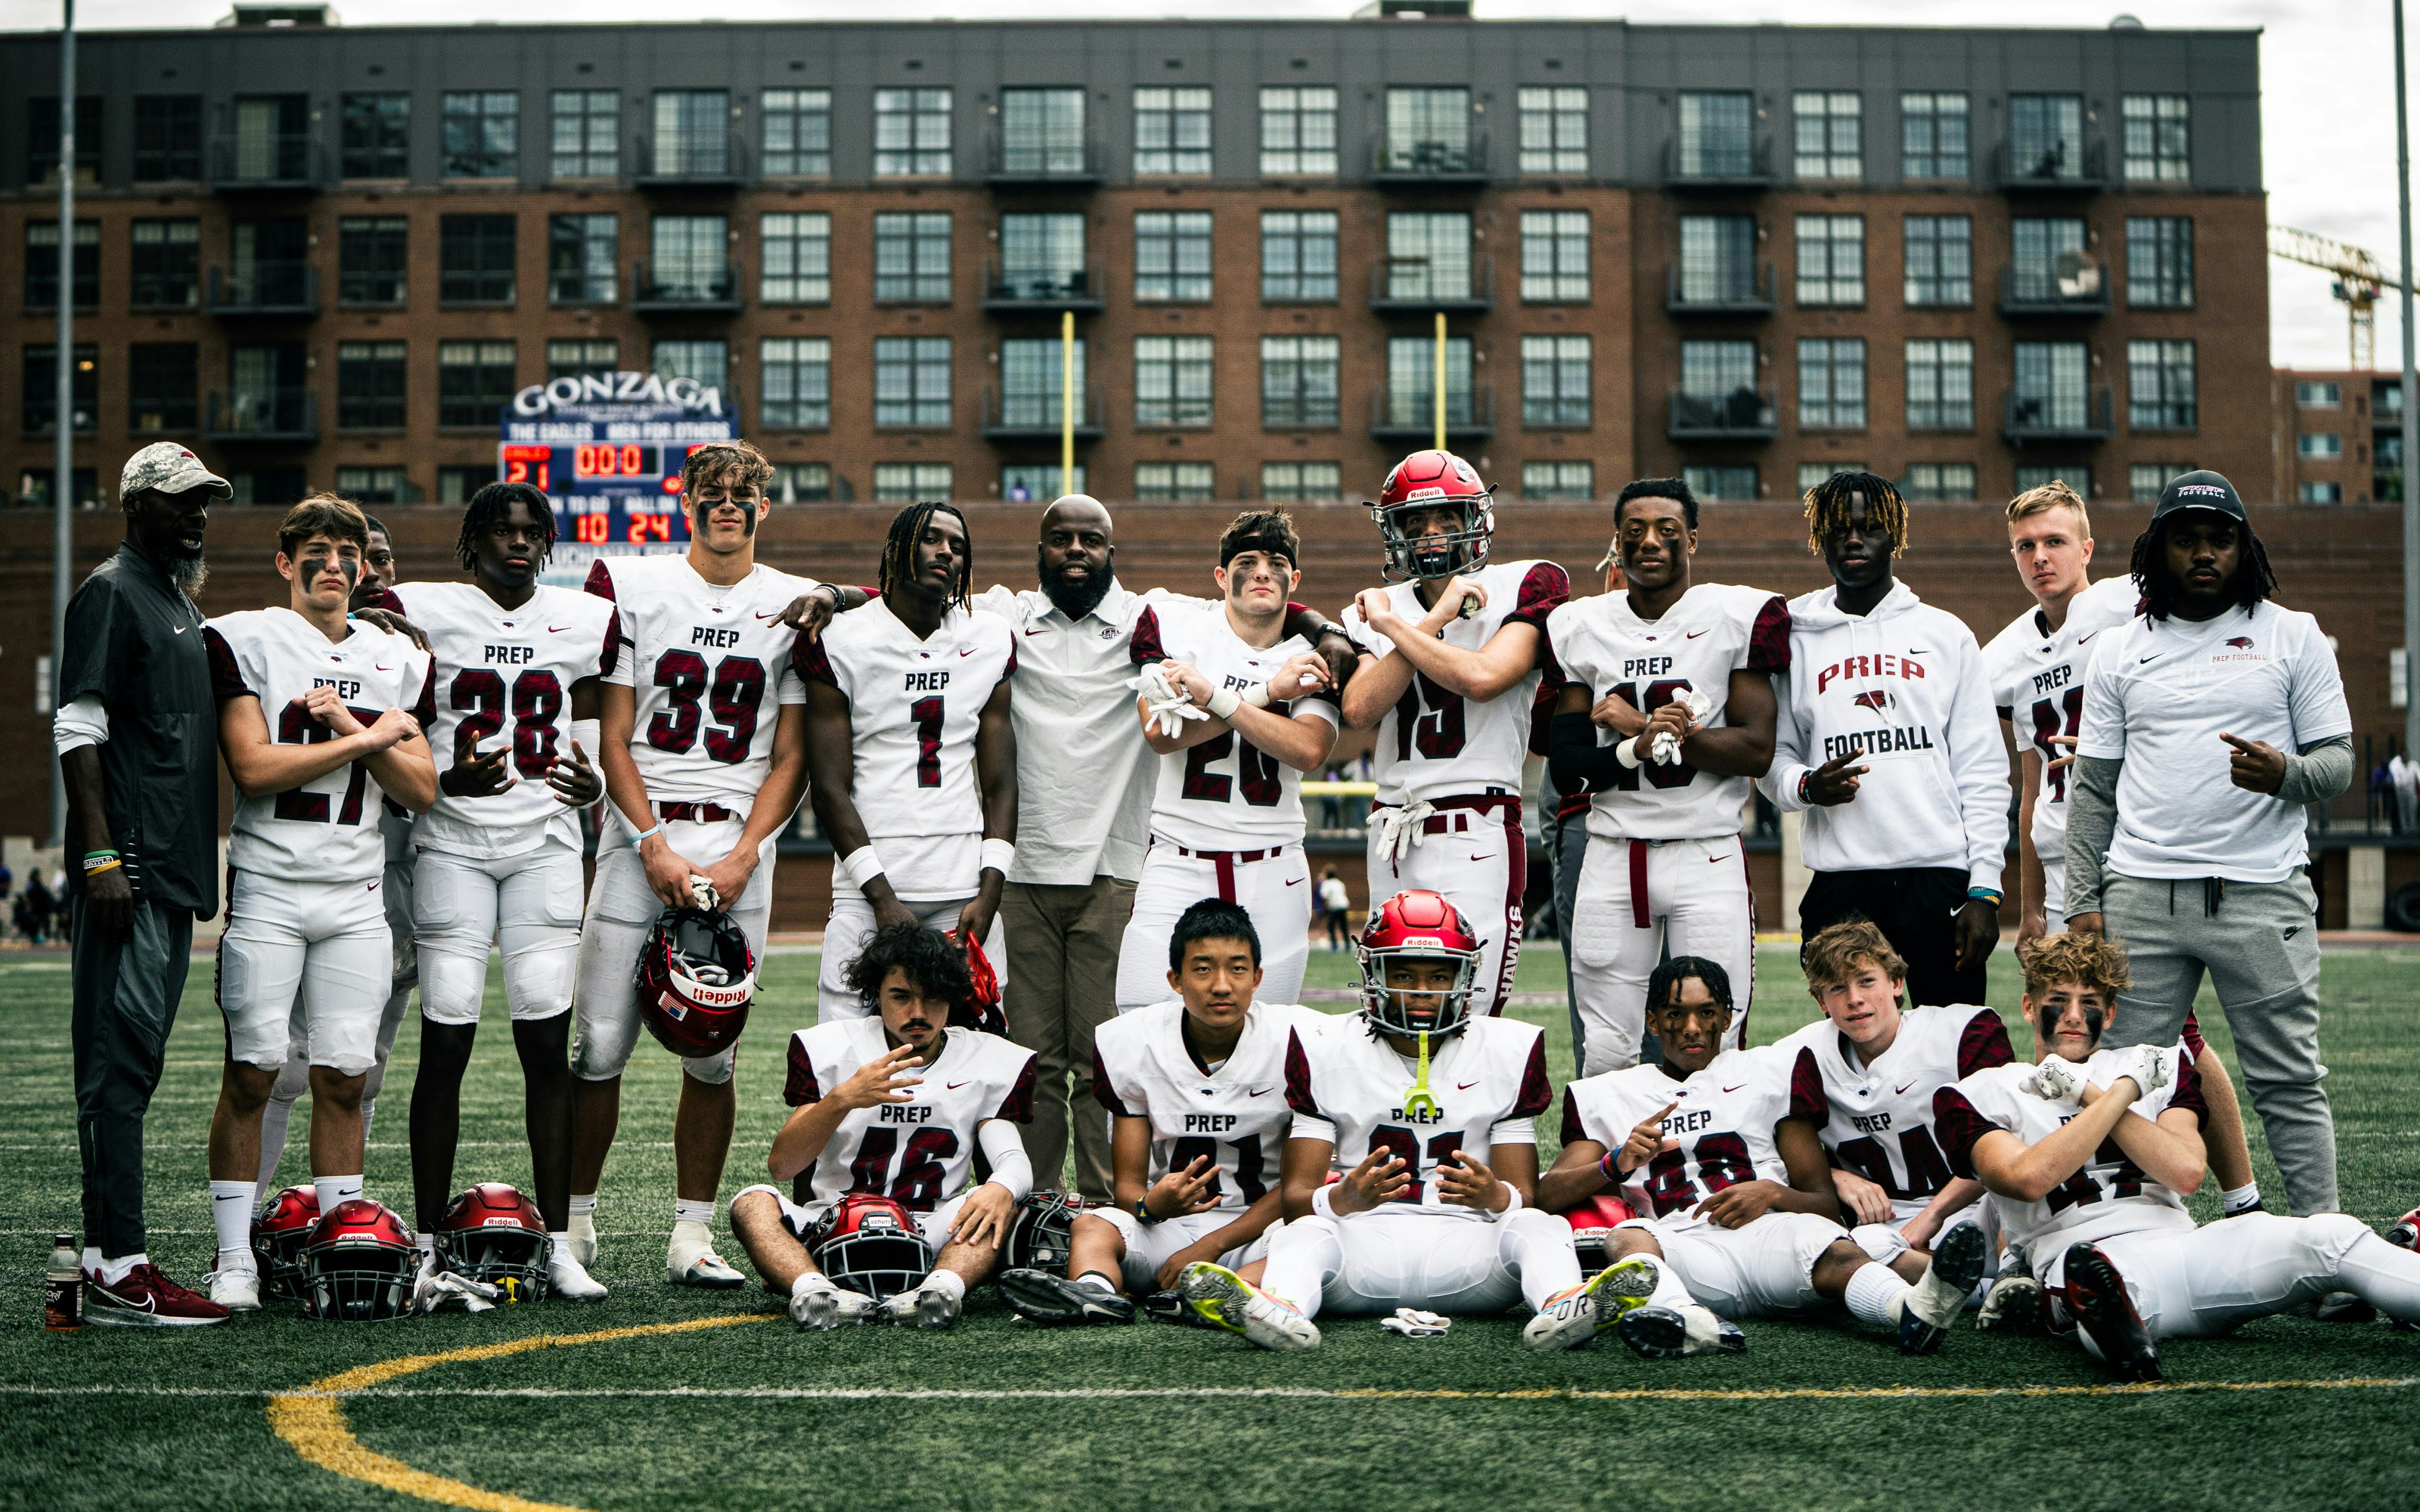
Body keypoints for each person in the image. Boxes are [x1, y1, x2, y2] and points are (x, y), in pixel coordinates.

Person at [570, 440, 860, 1287]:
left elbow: (789, 757)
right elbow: (613, 736)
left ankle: (691, 1234)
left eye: (742, 494)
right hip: (639, 840)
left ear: (764, 507)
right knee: (597, 1048)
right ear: (684, 501)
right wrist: (648, 841)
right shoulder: (631, 583)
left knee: (714, 1052)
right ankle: (574, 1225)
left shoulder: (792, 602)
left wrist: (744, 855)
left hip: (739, 845)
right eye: (711, 493)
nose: (726, 505)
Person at [1179, 890, 1651, 1355]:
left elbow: (1522, 1194)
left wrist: (1494, 1196)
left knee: (1537, 1225)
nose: (1420, 992)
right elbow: (1299, 1200)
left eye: (1438, 976)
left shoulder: (1507, 1049)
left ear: (1465, 978)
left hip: (1472, 1253)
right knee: (1302, 1233)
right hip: (1363, 1247)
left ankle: (1562, 1305)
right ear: (1372, 973)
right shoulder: (1324, 1045)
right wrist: (1345, 1197)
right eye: (1402, 974)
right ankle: (1282, 1309)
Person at [1934, 931, 2420, 1381]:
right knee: (2097, 1285)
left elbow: (2185, 1172)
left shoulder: (2141, 1066)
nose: (2074, 1016)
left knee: (2330, 1236)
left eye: (2090, 1003)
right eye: (2057, 1002)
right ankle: (2122, 1342)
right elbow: (2027, 1179)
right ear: (2027, 1006)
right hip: (2078, 1254)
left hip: (2185, 1246)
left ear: (2113, 1013)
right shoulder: (1985, 1089)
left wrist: (2096, 1093)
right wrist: (2115, 1094)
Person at [2064, 469, 2355, 1218]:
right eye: (2185, 538)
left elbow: (2337, 763)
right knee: (2119, 1079)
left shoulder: (2293, 634)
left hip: (2260, 890)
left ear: (2242, 547)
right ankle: (2122, 1236)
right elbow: (2092, 788)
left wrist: (2284, 772)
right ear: (2154, 550)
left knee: (2288, 1079)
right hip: (2139, 895)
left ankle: (2323, 1248)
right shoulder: (2117, 649)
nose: (2202, 553)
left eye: (2218, 538)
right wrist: (2081, 903)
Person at [197, 494, 438, 1312]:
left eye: (347, 552)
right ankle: (233, 1257)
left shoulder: (393, 654)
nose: (333, 564)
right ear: (284, 562)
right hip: (268, 887)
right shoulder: (245, 636)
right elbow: (253, 767)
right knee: (253, 1070)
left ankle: (339, 1246)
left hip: (356, 894)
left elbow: (425, 788)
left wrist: (361, 735)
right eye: (318, 551)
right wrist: (366, 736)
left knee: (345, 1074)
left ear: (364, 568)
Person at [386, 482, 613, 1300]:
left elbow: (586, 741)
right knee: (446, 1036)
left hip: (544, 845)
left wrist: (589, 783)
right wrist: (444, 777)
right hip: (450, 841)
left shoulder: (582, 616)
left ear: (548, 542)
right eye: (500, 529)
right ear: (470, 540)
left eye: (531, 531)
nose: (517, 542)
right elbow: (393, 726)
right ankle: (421, 1244)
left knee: (544, 1044)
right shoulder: (416, 609)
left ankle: (555, 1243)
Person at [1538, 955, 1987, 1359]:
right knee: (1630, 1238)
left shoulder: (1768, 1072)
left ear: (1727, 1019)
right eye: (1676, 1014)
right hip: (1685, 1248)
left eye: (1706, 1013)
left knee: (1830, 1243)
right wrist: (1613, 1164)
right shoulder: (1609, 1093)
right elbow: (1544, 1197)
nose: (1692, 1027)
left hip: (1772, 1235)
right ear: (1653, 1023)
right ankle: (1682, 1318)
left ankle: (1911, 1310)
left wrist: (1770, 1192)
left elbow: (1825, 1205)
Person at [57, 442, 230, 1324]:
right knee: (117, 1065)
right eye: (178, 501)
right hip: (129, 865)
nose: (197, 514)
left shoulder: (174, 599)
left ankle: (97, 1256)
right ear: (134, 506)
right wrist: (99, 857)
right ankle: (120, 1265)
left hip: (167, 868)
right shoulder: (111, 590)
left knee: (135, 1062)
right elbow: (76, 727)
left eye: (204, 501)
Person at [1545, 476, 1788, 1075]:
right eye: (1634, 532)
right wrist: (1642, 742)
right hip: (1612, 850)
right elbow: (1569, 764)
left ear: (1694, 542)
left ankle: (1715, 1163)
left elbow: (1756, 749)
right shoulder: (1580, 625)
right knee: (1605, 1045)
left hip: (1705, 850)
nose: (1649, 542)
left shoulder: (1736, 614)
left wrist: (1657, 732)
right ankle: (1613, 1166)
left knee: (1717, 1038)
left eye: (1666, 531)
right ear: (1617, 544)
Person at [999, 897, 1326, 1325]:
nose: (1222, 985)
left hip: (1259, 1227)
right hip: (1172, 1227)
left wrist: (1207, 1249)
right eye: (1203, 968)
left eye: (1238, 968)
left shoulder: (1300, 1039)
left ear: (1258, 977)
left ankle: (1232, 1296)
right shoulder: (1136, 1042)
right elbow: (1130, 1190)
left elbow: (1297, 1188)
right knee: (1095, 1224)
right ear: (1176, 979)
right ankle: (1094, 1293)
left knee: (1309, 1235)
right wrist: (1152, 1205)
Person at [1761, 472, 2008, 1007]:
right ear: (1819, 537)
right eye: (1840, 528)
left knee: (1954, 1048)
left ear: (1894, 536)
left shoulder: (1945, 635)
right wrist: (1806, 786)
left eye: (1870, 528)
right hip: (1841, 882)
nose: (1854, 540)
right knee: (1852, 1052)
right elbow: (1769, 758)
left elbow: (1983, 772)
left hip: (1937, 877)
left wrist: (1985, 888)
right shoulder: (1793, 635)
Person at [1339, 450, 1570, 1019]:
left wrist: (1397, 626)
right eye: (1415, 524)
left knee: (1469, 1008)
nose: (1431, 534)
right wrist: (1432, 617)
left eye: (1445, 517)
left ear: (1477, 517)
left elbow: (1484, 679)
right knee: (1389, 1009)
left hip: (1478, 826)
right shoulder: (1380, 606)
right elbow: (1362, 708)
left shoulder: (1527, 582)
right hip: (1394, 831)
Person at [731, 922, 1037, 1331]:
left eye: (932, 998)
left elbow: (1012, 1160)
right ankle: (814, 1292)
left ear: (953, 997)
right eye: (901, 997)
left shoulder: (985, 1059)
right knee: (751, 1202)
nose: (917, 1013)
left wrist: (1002, 1188)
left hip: (929, 1227)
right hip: (833, 1223)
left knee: (999, 1200)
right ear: (877, 994)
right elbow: (783, 1167)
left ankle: (941, 1291)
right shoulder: (834, 1047)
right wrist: (844, 1098)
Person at [1115, 510, 1341, 1013]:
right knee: (1141, 1016)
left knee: (1269, 1032)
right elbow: (1161, 734)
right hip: (1181, 855)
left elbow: (1308, 748)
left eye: (1277, 562)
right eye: (1248, 561)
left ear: (1294, 579)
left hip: (1274, 861)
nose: (1263, 572)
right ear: (1221, 576)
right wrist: (1266, 693)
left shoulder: (1315, 648)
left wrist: (1217, 698)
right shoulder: (1180, 629)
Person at [802, 502, 1016, 1023]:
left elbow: (1002, 784)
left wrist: (989, 893)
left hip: (961, 889)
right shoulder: (841, 639)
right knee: (845, 1055)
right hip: (867, 888)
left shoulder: (988, 637)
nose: (946, 552)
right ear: (896, 549)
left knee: (973, 1059)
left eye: (958, 545)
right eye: (932, 539)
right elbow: (829, 787)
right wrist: (880, 898)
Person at [255, 510, 417, 1194]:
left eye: (377, 558)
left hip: (396, 879)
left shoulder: (408, 653)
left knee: (361, 1061)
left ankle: (344, 1219)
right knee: (278, 1062)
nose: (366, 570)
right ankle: (244, 1226)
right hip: (301, 873)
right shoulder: (271, 641)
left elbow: (434, 780)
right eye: (356, 555)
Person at [1776, 921, 2011, 1278]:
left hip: (1981, 1203)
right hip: (1884, 1226)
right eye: (1838, 988)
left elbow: (2012, 1141)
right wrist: (1835, 1177)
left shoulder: (1961, 1033)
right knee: (1840, 1245)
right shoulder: (1797, 1056)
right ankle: (1977, 1288)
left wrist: (1934, 1214)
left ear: (1896, 982)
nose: (1854, 999)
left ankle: (2004, 1272)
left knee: (2028, 1187)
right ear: (1821, 1001)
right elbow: (1760, 1143)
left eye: (1867, 981)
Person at [1981, 481, 2139, 945]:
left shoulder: (2129, 608)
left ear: (2086, 549)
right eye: (2025, 546)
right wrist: (2030, 908)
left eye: (2055, 541)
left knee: (2147, 1010)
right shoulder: (2005, 656)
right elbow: (2031, 789)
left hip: (2129, 851)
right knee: (2065, 1014)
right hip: (2058, 864)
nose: (2040, 557)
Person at [1538, 540, 1624, 1038]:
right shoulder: (1580, 626)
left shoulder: (1695, 624)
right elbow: (1542, 735)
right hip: (1583, 805)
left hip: (1673, 805)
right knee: (1592, 973)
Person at [1318, 869, 1351, 950]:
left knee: (1331, 926)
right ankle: (1347, 944)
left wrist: (1325, 906)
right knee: (1344, 926)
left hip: (1334, 906)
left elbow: (1324, 895)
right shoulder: (1339, 883)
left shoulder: (1326, 883)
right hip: (1343, 905)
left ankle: (1334, 945)